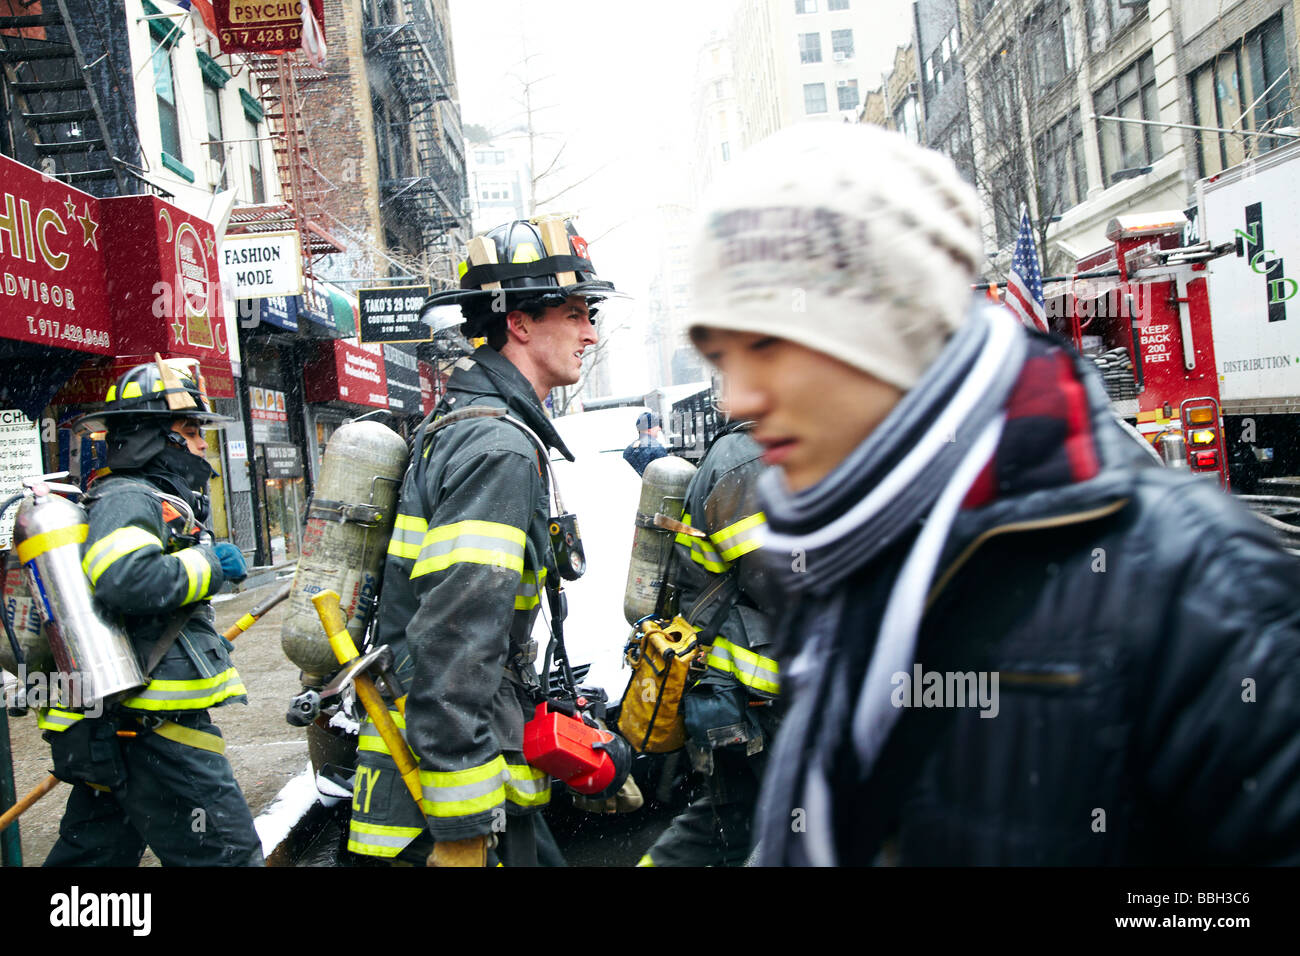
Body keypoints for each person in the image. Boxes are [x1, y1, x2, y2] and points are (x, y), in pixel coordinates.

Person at [687, 122, 1300, 866]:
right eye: (720, 355)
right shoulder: (836, 560)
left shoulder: (1194, 582)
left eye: (765, 343)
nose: (736, 397)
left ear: (885, 328)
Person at [347, 218, 616, 867]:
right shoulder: (498, 449)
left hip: (448, 758)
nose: (591, 333)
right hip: (442, 795)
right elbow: (455, 637)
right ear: (519, 324)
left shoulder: (467, 422)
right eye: (576, 312)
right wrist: (462, 829)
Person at [43, 361, 260, 866]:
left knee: (93, 862)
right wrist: (209, 563)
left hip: (123, 729)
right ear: (156, 437)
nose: (203, 445)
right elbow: (126, 580)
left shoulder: (145, 497)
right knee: (225, 855)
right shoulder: (128, 496)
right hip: (154, 731)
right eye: (191, 431)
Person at [636, 416, 780, 866]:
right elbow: (783, 583)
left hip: (752, 689)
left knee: (724, 826)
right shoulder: (747, 459)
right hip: (756, 694)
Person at [622, 411, 669, 476]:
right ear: (649, 429)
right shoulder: (658, 449)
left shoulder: (628, 450)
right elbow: (665, 475)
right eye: (657, 425)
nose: (659, 428)